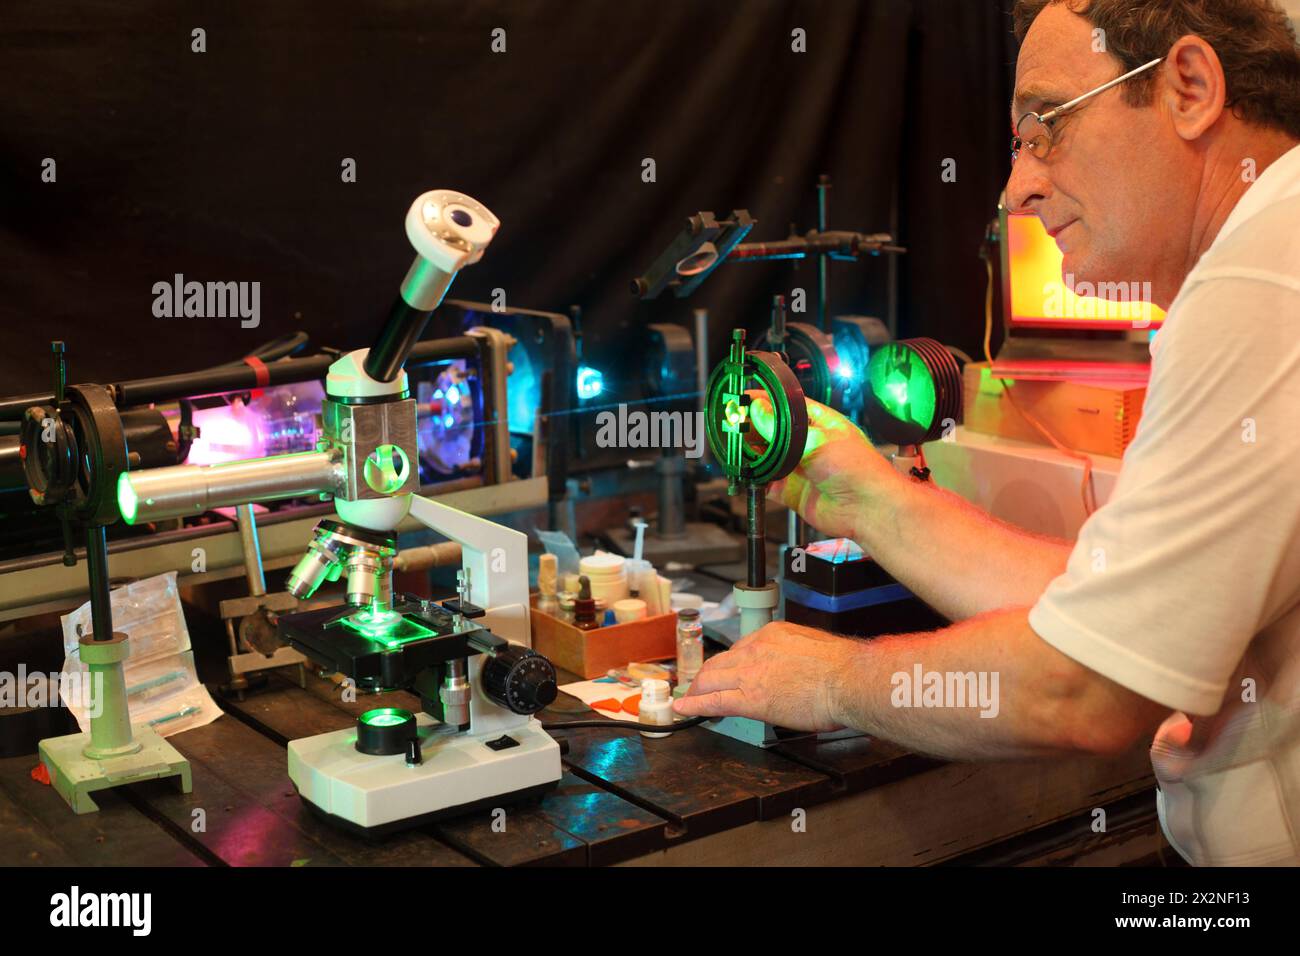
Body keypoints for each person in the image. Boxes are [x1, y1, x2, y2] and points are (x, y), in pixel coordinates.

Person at [674, 0, 1300, 866]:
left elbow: (1087, 689)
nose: (1019, 186)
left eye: (1045, 127)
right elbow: (1106, 607)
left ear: (1188, 87)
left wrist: (832, 680)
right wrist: (870, 500)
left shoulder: (1263, 285)